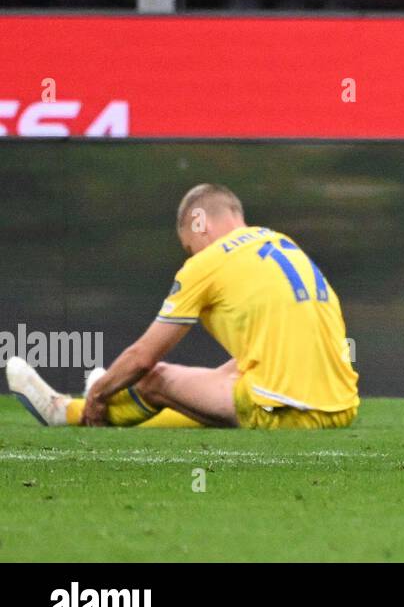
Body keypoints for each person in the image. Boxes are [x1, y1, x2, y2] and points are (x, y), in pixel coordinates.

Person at [6, 183, 359, 430]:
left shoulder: (208, 264)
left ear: (199, 223)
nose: (190, 254)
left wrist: (101, 391)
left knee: (155, 380)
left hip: (288, 411)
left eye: (188, 246)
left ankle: (67, 413)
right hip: (342, 406)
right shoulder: (281, 242)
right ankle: (110, 390)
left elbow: (144, 357)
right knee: (231, 372)